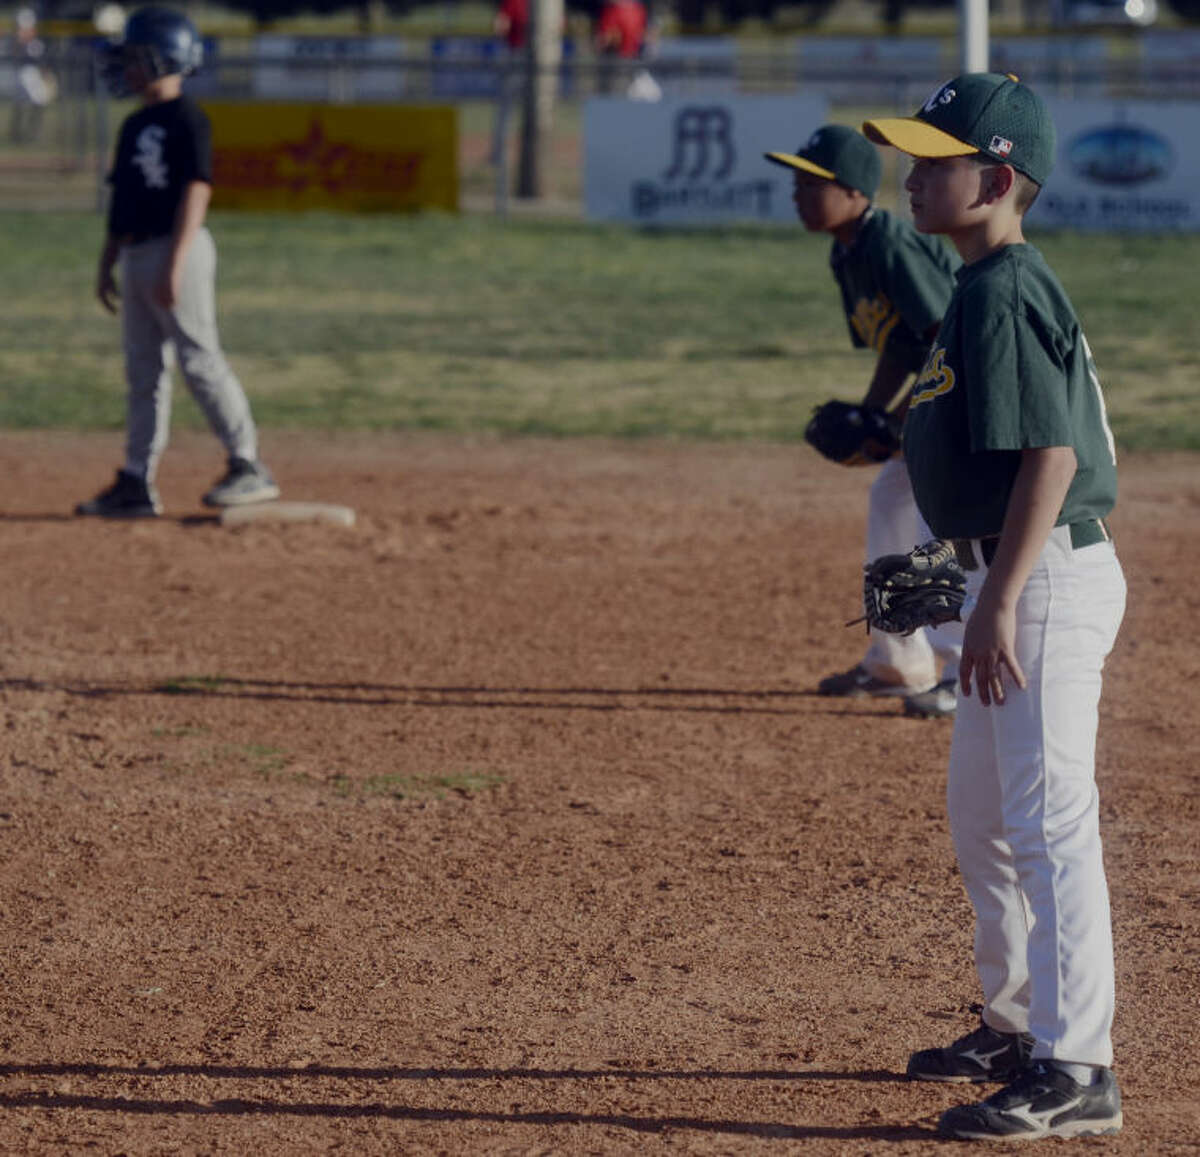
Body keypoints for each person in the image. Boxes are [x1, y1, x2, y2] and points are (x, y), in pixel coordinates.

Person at [863, 73, 1125, 1141]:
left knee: (1051, 819)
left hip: (1043, 576)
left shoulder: (1008, 286)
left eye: (940, 158)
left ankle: (1077, 1067)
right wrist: (946, 590)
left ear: (1000, 178)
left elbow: (1051, 458)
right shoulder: (975, 287)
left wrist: (998, 598)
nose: (917, 175)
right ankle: (1017, 1021)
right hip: (999, 572)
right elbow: (958, 459)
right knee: (984, 811)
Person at [764, 125, 963, 719]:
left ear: (853, 191)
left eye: (811, 184)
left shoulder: (889, 246)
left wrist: (901, 421)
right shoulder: (847, 250)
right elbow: (899, 347)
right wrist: (876, 412)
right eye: (796, 183)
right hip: (936, 396)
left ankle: (959, 671)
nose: (797, 195)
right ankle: (898, 661)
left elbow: (943, 342)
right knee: (891, 504)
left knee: (941, 525)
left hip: (965, 400)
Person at [77, 5, 278, 520]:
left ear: (167, 59)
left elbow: (197, 189)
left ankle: (248, 463)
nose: (127, 70)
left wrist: (177, 259)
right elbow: (122, 201)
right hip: (139, 254)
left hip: (177, 250)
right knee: (143, 375)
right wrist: (106, 261)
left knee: (199, 360)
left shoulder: (188, 119)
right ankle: (135, 482)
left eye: (137, 59)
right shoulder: (134, 124)